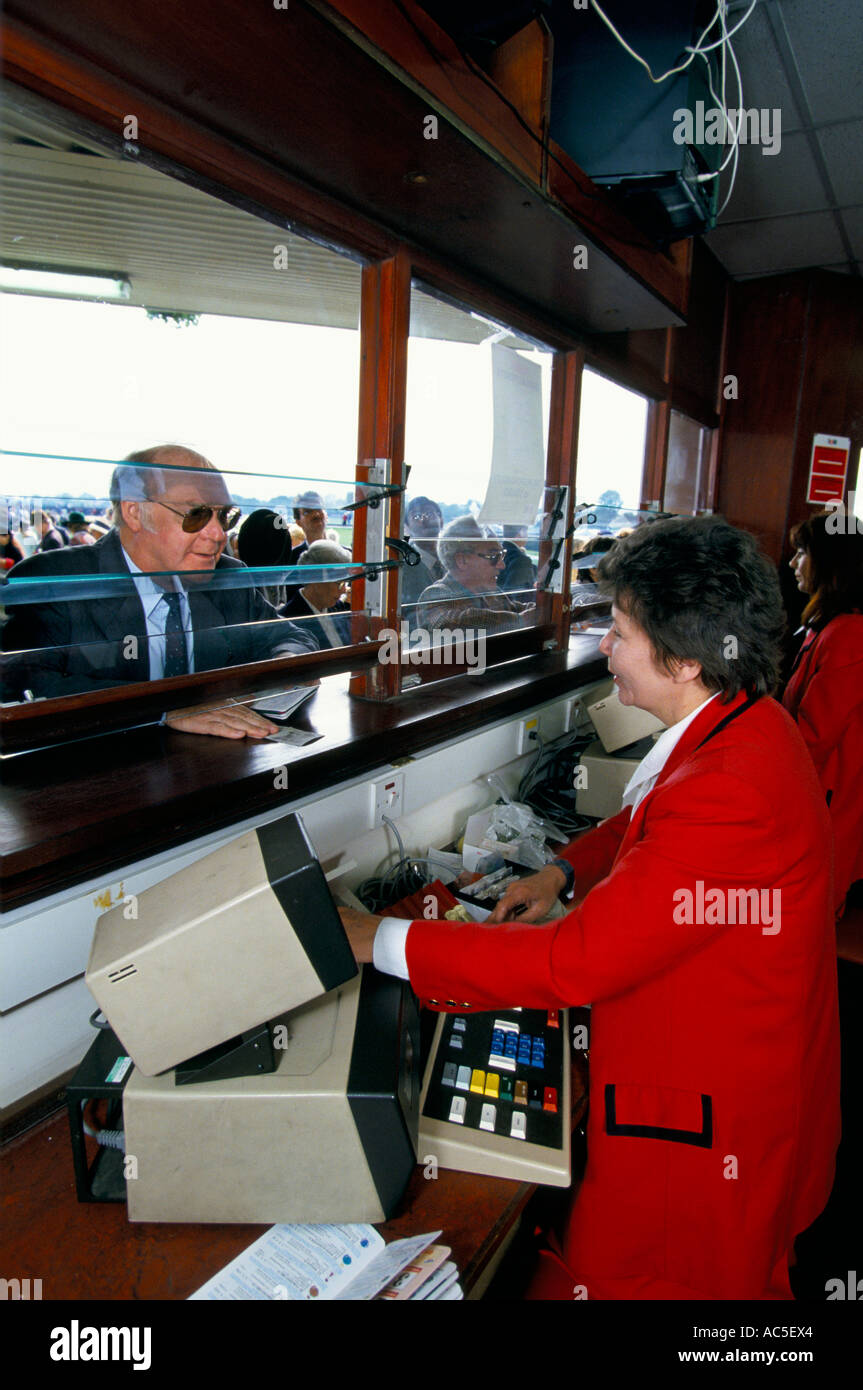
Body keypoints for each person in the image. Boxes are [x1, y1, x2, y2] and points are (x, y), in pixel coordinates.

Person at [340, 516, 840, 1301]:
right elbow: (653, 818)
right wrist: (564, 875)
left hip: (704, 1126)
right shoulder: (743, 721)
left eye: (619, 630)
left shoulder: (732, 789)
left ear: (680, 660)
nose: (604, 646)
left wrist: (382, 940)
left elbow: (571, 963)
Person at [1, 446, 318, 738]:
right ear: (134, 513)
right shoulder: (54, 580)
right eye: (196, 515)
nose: (219, 533)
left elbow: (293, 637)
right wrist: (163, 708)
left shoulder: (228, 575)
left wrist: (285, 664)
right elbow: (19, 683)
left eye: (225, 517)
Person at [783, 511, 863, 915]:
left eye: (803, 553)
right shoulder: (826, 626)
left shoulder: (848, 635)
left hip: (829, 809)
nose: (794, 562)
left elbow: (814, 738)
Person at [416, 514, 535, 634]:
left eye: (502, 555)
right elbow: (451, 623)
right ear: (462, 560)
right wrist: (519, 620)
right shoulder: (434, 595)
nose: (502, 565)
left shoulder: (492, 593)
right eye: (493, 556)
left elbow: (525, 609)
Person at [281, 540, 354, 649]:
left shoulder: (339, 608)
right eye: (340, 583)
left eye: (346, 583)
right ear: (315, 577)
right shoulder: (287, 620)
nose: (344, 590)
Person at [401, 496, 444, 628]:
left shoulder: (456, 560)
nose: (424, 519)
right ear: (406, 528)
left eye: (429, 514)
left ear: (441, 521)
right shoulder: (403, 567)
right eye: (416, 516)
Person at [498, 524, 537, 594]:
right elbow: (517, 595)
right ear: (521, 532)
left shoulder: (499, 552)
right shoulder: (521, 560)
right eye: (526, 531)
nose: (527, 536)